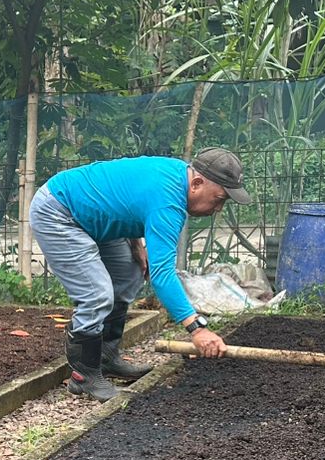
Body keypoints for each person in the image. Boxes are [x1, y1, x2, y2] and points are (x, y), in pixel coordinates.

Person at [28, 148, 249, 400]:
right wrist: (197, 329)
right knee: (96, 294)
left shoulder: (179, 175)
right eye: (218, 198)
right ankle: (84, 376)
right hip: (59, 211)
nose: (218, 208)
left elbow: (126, 201)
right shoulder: (169, 202)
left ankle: (106, 358)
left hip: (92, 215)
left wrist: (136, 244)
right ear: (197, 183)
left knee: (128, 274)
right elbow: (162, 274)